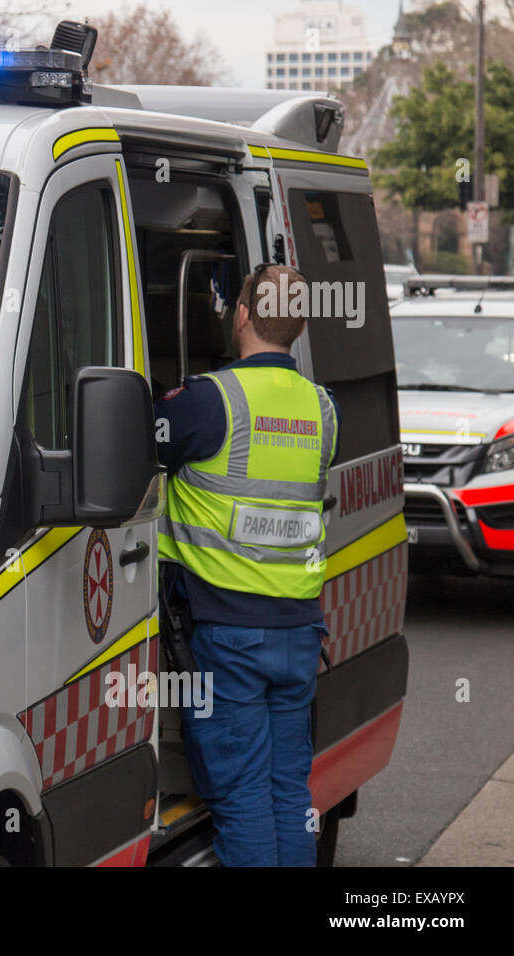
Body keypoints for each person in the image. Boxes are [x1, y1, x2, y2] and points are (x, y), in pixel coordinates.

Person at [155, 263, 341, 867]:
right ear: (300, 327)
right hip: (299, 633)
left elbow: (139, 446)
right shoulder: (324, 410)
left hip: (230, 635)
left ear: (240, 316)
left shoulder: (209, 400)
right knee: (289, 792)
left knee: (241, 798)